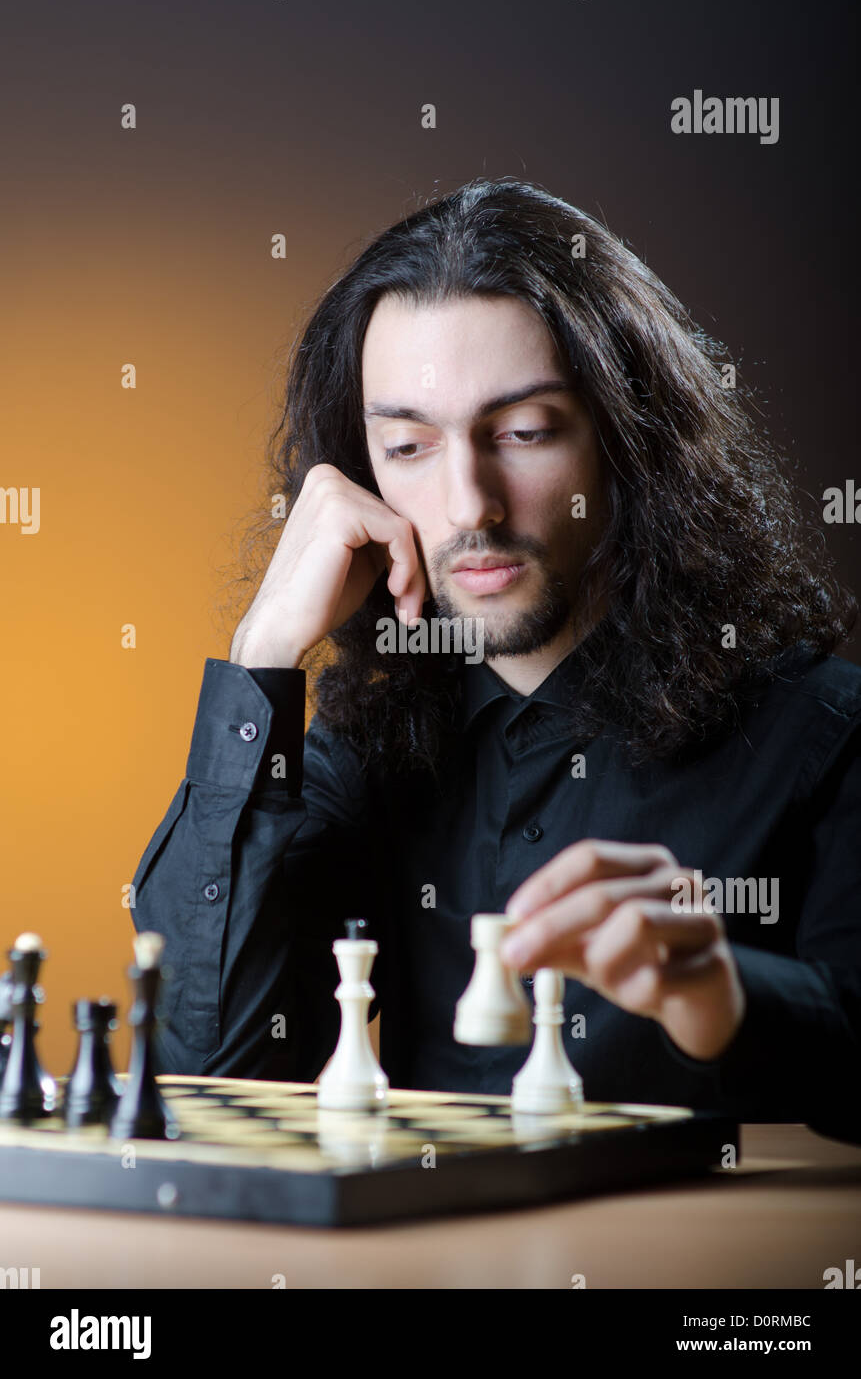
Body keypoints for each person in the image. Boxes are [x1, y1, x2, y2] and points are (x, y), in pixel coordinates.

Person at [130, 178, 861, 1141]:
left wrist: (722, 995)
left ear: (628, 441)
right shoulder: (367, 752)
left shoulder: (824, 731)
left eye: (522, 433)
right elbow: (204, 1071)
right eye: (407, 445)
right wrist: (262, 656)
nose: (469, 504)